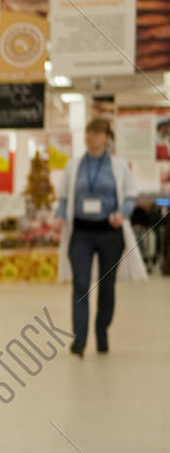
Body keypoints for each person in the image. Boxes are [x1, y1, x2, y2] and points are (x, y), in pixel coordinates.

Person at [56, 118, 146, 355]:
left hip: (109, 233)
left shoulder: (119, 166)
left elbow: (129, 196)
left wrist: (122, 213)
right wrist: (60, 215)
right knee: (81, 285)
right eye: (88, 132)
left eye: (95, 133)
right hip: (81, 234)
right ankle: (80, 340)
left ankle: (101, 331)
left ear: (106, 137)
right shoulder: (73, 166)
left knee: (107, 287)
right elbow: (64, 197)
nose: (90, 137)